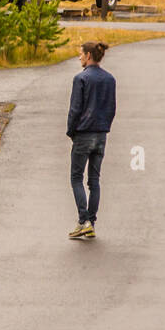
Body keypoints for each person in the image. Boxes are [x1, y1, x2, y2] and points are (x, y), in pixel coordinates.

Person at [67, 40, 116, 240]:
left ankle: (83, 220)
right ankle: (90, 223)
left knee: (76, 178)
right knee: (94, 180)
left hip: (84, 134)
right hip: (101, 134)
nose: (79, 57)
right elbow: (112, 109)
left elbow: (75, 109)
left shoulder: (81, 79)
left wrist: (71, 131)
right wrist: (104, 127)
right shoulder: (110, 79)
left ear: (88, 56)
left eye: (81, 54)